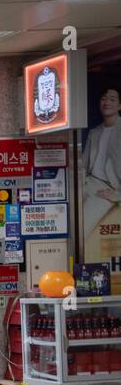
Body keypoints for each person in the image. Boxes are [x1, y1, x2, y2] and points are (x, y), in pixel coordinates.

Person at [83, 87, 121, 263]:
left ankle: (77, 268)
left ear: (119, 105)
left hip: (108, 187)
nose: (107, 102)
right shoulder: (95, 132)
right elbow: (83, 164)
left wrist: (118, 195)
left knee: (81, 225)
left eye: (113, 99)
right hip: (89, 182)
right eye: (104, 98)